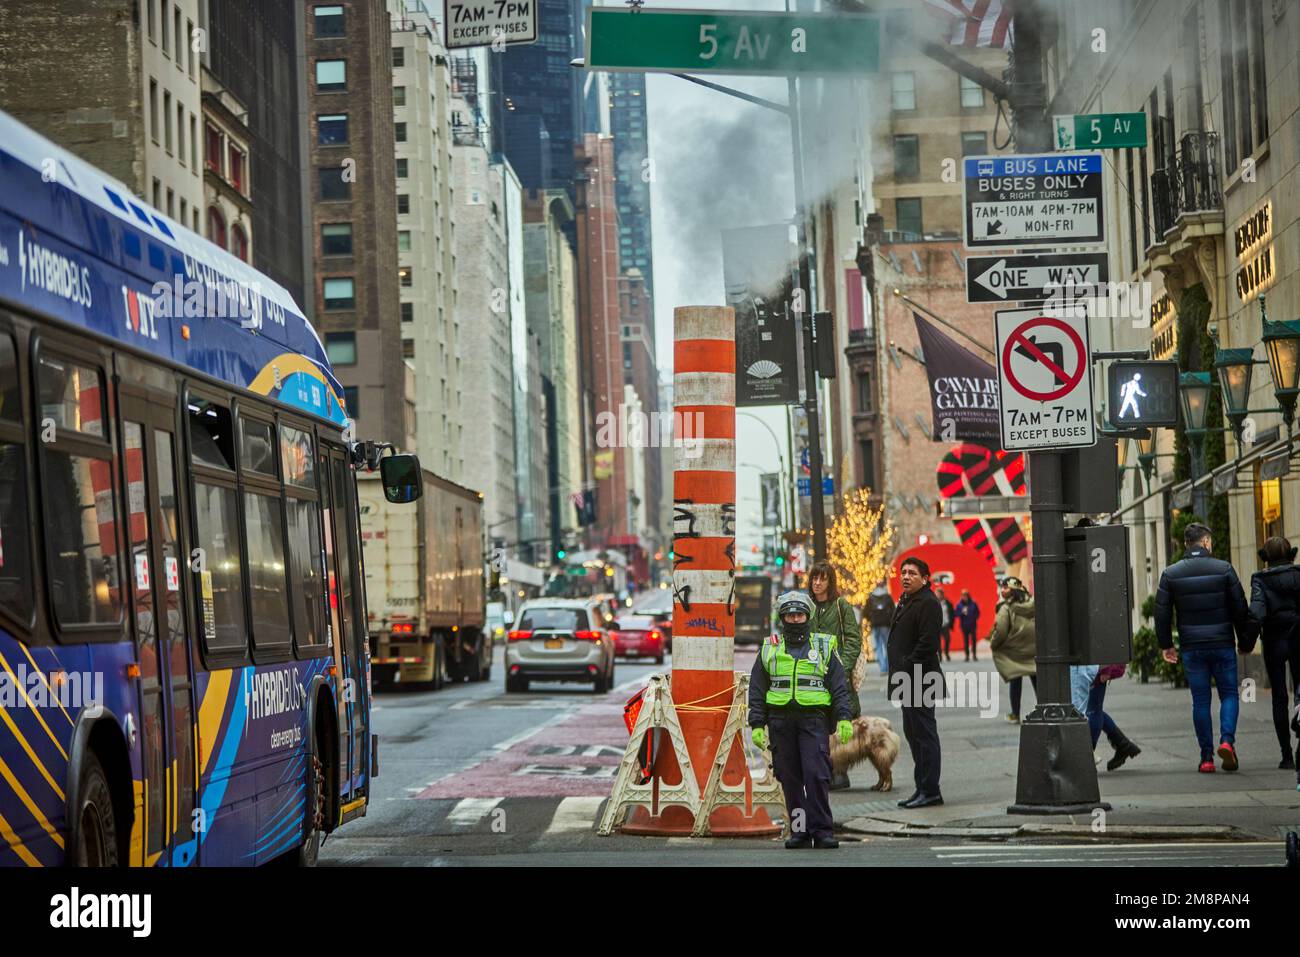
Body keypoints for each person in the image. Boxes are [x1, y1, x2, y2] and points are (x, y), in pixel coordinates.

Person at [749, 591, 854, 849]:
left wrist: (844, 718)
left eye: (799, 614)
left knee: (816, 775)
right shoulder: (769, 647)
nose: (795, 619)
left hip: (813, 721)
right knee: (790, 777)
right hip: (780, 722)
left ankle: (822, 831)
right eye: (790, 615)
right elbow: (757, 689)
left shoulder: (824, 645)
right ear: (782, 617)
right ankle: (799, 831)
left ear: (807, 616)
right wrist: (757, 724)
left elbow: (839, 685)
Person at [1154, 522, 1255, 773]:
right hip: (1222, 643)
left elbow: (1162, 613)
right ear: (1207, 542)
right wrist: (1245, 641)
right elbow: (1240, 609)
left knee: (1200, 701)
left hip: (1192, 647)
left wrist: (1166, 644)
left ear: (1186, 544)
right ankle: (1227, 742)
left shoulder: (1171, 574)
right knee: (1230, 694)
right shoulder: (1224, 569)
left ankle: (1207, 758)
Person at [887, 557, 944, 808]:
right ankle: (921, 788)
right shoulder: (907, 600)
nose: (906, 576)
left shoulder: (928, 603)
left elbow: (928, 643)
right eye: (903, 572)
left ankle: (930, 790)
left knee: (924, 735)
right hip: (906, 679)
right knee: (913, 734)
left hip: (920, 679)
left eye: (912, 573)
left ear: (925, 578)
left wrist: (907, 664)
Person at [807, 561, 863, 791]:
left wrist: (843, 666)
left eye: (823, 579)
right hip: (814, 677)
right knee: (818, 723)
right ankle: (825, 772)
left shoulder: (841, 606)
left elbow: (853, 638)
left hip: (837, 677)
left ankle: (839, 772)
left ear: (831, 582)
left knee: (840, 721)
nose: (818, 583)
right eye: (814, 579)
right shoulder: (807, 607)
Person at [1248, 536, 1300, 777]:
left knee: (1279, 696)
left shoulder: (1261, 580)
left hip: (1275, 640)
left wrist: (1247, 643)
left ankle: (1286, 755)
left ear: (1266, 559)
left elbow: (1257, 613)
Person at [990, 577, 1037, 722]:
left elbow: (1001, 631)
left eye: (1005, 588)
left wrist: (994, 644)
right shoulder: (1033, 603)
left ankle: (1015, 714)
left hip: (1014, 651)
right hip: (1035, 650)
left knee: (1015, 681)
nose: (1002, 591)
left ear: (1013, 591)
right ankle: (1046, 709)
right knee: (1038, 680)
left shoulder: (1006, 607)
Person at [866, 583, 895, 676]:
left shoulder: (871, 597)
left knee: (878, 646)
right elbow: (893, 610)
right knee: (888, 646)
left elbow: (866, 611)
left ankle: (883, 667)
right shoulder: (887, 596)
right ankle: (887, 666)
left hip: (875, 624)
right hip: (886, 624)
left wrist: (870, 619)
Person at [954, 588, 980, 661]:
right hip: (964, 625)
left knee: (974, 640)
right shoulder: (959, 605)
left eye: (965, 595)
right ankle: (967, 656)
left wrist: (974, 617)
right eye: (963, 595)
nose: (964, 597)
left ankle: (974, 655)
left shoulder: (973, 603)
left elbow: (977, 612)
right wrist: (961, 612)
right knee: (966, 641)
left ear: (968, 596)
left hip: (972, 625)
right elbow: (955, 614)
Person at [934, 586, 955, 662]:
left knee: (947, 640)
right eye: (936, 594)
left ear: (942, 595)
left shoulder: (948, 603)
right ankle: (940, 656)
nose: (937, 596)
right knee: (938, 642)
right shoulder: (933, 603)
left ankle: (946, 652)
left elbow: (952, 613)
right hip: (937, 625)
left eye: (939, 594)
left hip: (945, 624)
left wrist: (951, 623)